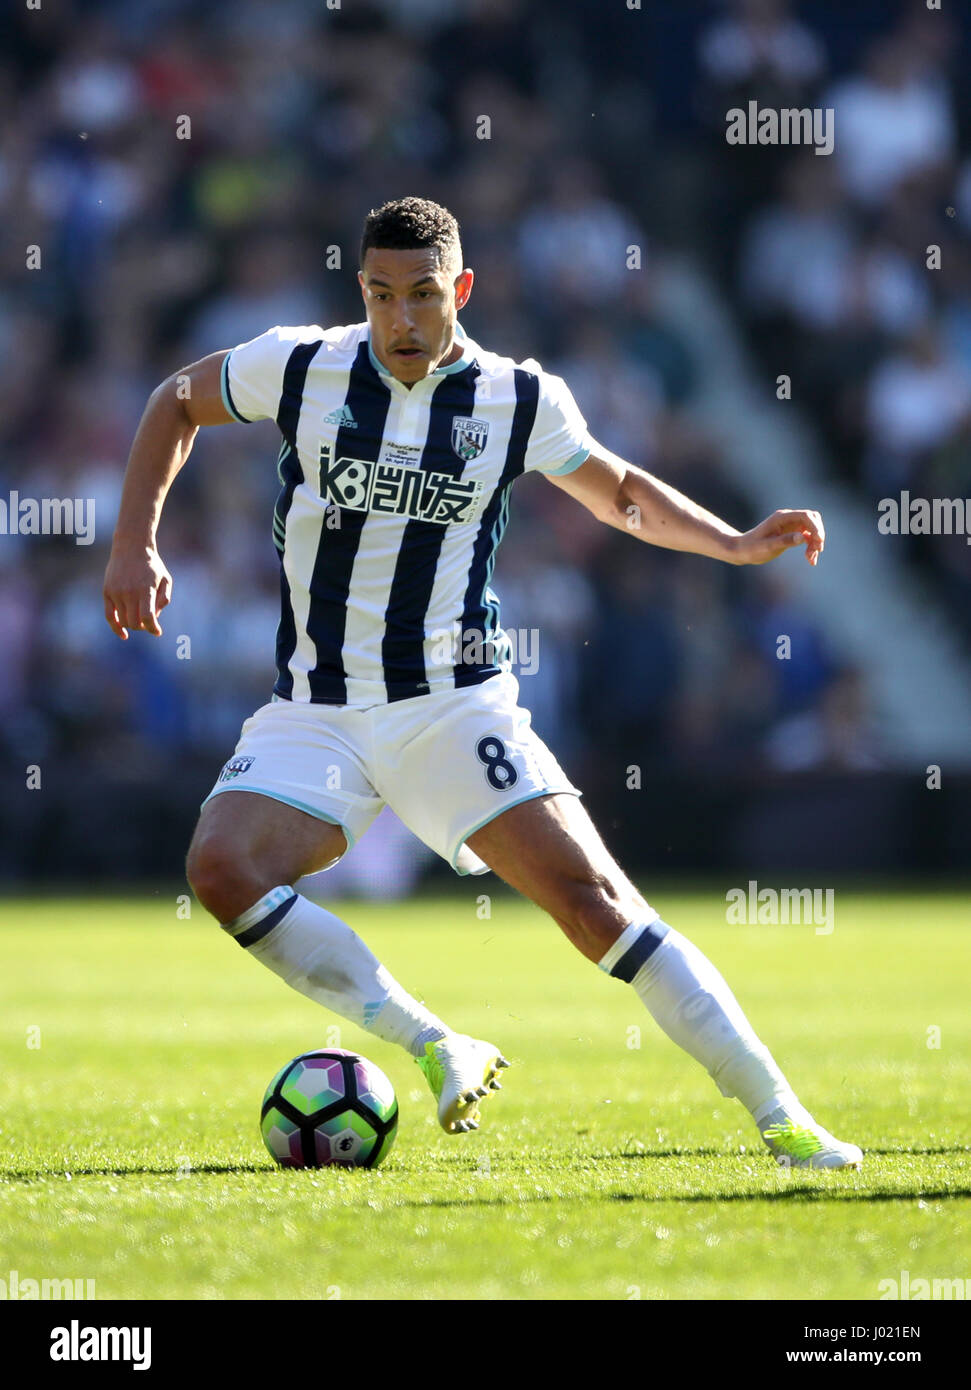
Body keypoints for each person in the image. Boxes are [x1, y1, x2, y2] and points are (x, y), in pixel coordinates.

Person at [103, 197, 860, 1168]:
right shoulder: (299, 364)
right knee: (220, 869)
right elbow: (175, 399)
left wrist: (733, 542)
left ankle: (783, 1118)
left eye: (422, 294)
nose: (401, 318)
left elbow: (618, 491)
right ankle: (435, 1043)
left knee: (595, 904)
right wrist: (133, 543)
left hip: (452, 706)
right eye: (381, 295)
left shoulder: (516, 397)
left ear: (460, 289)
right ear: (360, 292)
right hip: (316, 708)